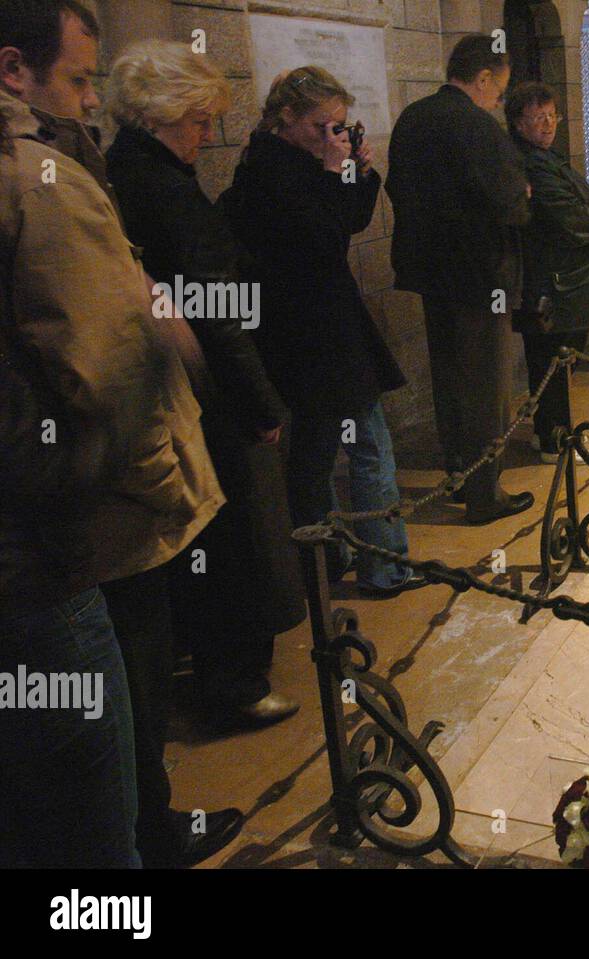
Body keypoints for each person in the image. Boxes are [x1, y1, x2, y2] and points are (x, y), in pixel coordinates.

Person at [0, 0, 240, 867]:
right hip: (63, 532)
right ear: (11, 71)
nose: (88, 99)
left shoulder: (67, 165)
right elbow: (103, 367)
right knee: (90, 792)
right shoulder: (41, 178)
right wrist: (154, 480)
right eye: (76, 78)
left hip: (54, 517)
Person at [104, 41, 305, 727]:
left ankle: (219, 667)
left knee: (212, 541)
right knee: (237, 539)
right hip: (208, 389)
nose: (207, 135)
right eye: (198, 121)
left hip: (177, 383)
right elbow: (214, 308)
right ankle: (237, 683)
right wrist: (261, 404)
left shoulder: (126, 168)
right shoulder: (160, 184)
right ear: (163, 114)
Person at [221, 66, 425, 597]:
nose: (330, 136)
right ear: (285, 118)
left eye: (339, 125)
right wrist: (337, 173)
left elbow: (348, 220)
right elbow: (325, 239)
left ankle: (325, 562)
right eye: (321, 125)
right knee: (367, 450)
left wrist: (357, 172)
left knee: (315, 457)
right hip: (317, 339)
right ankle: (384, 567)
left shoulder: (288, 160)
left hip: (315, 336)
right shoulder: (272, 173)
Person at [388, 35, 535, 523]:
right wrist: (524, 192)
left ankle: (456, 471)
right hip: (480, 275)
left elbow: (398, 188)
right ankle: (484, 494)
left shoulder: (413, 118)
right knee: (487, 386)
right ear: (483, 77)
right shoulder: (477, 125)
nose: (499, 99)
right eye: (499, 89)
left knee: (450, 377)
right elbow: (509, 202)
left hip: (432, 272)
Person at [507, 81, 589, 463]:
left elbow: (580, 201)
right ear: (518, 123)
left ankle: (552, 433)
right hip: (551, 281)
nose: (547, 124)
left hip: (563, 277)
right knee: (552, 361)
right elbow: (563, 215)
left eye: (551, 115)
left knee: (559, 361)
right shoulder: (529, 163)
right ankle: (556, 441)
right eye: (537, 118)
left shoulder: (546, 157)